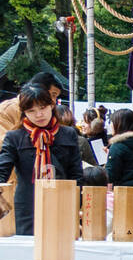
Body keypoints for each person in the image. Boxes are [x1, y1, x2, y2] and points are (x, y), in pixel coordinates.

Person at [0, 83, 84, 234]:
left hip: (62, 203)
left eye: (43, 108)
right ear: (24, 112)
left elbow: (76, 174)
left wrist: (76, 204)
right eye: (31, 111)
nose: (39, 115)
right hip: (27, 206)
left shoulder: (68, 133)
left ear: (51, 106)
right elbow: (2, 171)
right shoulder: (14, 137)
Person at [0, 70, 62, 134]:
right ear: (37, 90)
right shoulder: (5, 110)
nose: (54, 101)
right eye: (53, 95)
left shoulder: (50, 114)